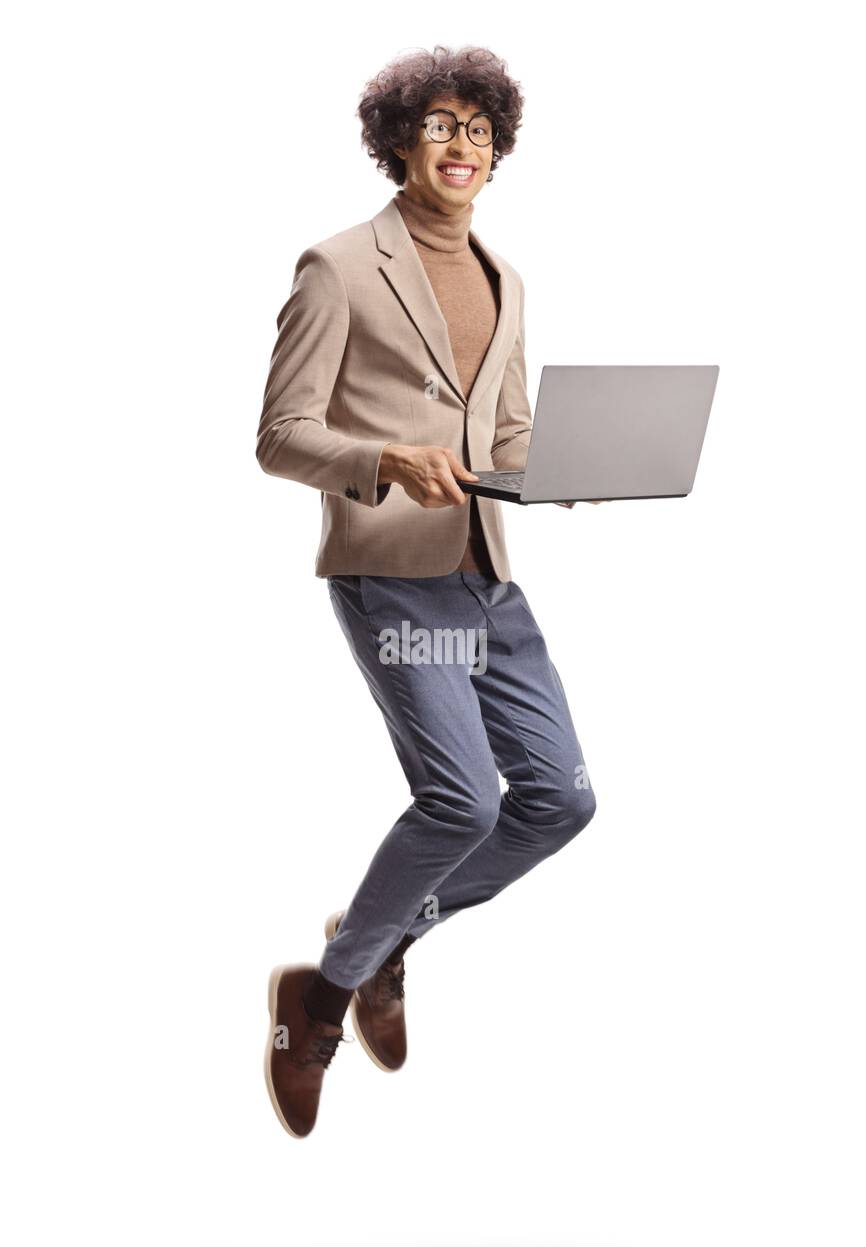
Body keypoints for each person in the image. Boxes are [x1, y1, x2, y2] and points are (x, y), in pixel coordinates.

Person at [256, 45, 600, 1139]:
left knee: (560, 799)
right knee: (464, 801)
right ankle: (317, 995)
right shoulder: (337, 266)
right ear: (400, 140)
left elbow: (504, 432)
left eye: (480, 130)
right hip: (395, 576)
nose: (462, 146)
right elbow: (279, 437)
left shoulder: (508, 280)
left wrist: (566, 470)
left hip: (487, 572)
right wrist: (383, 460)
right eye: (441, 125)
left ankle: (380, 935)